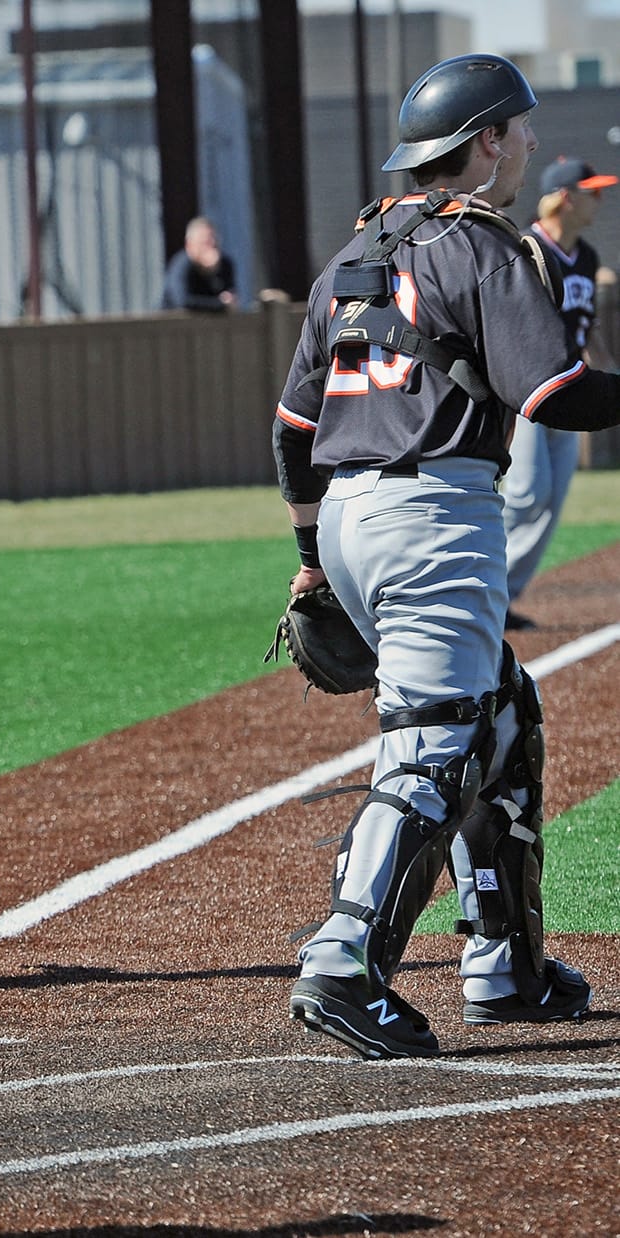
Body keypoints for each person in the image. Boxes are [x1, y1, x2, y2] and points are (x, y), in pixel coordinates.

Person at [272, 53, 620, 1059]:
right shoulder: (485, 247)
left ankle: (503, 965)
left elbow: (293, 430)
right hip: (433, 513)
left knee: (502, 712)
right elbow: (555, 394)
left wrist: (309, 558)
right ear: (484, 144)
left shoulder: (357, 254)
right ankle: (341, 961)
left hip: (349, 517)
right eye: (520, 128)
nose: (531, 145)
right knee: (436, 744)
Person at [503, 156, 619, 629]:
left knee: (550, 502)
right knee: (528, 494)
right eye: (592, 191)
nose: (600, 198)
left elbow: (585, 325)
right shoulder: (526, 248)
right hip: (531, 391)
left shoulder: (586, 257)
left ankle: (500, 597)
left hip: (569, 390)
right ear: (566, 198)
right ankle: (473, 583)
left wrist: (606, 367)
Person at [160, 216, 238, 312]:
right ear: (189, 245)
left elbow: (229, 297)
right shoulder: (182, 265)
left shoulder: (224, 264)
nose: (211, 246)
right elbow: (182, 301)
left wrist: (213, 272)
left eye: (214, 241)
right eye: (205, 242)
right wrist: (219, 305)